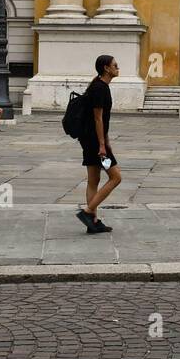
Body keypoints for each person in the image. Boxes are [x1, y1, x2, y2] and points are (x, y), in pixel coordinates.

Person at [75, 55, 122, 235]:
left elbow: (102, 120)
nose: (118, 68)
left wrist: (106, 140)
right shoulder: (100, 88)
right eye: (115, 65)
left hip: (90, 140)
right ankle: (88, 213)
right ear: (106, 68)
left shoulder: (99, 86)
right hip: (96, 144)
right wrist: (103, 145)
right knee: (116, 177)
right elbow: (97, 118)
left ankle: (92, 222)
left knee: (93, 180)